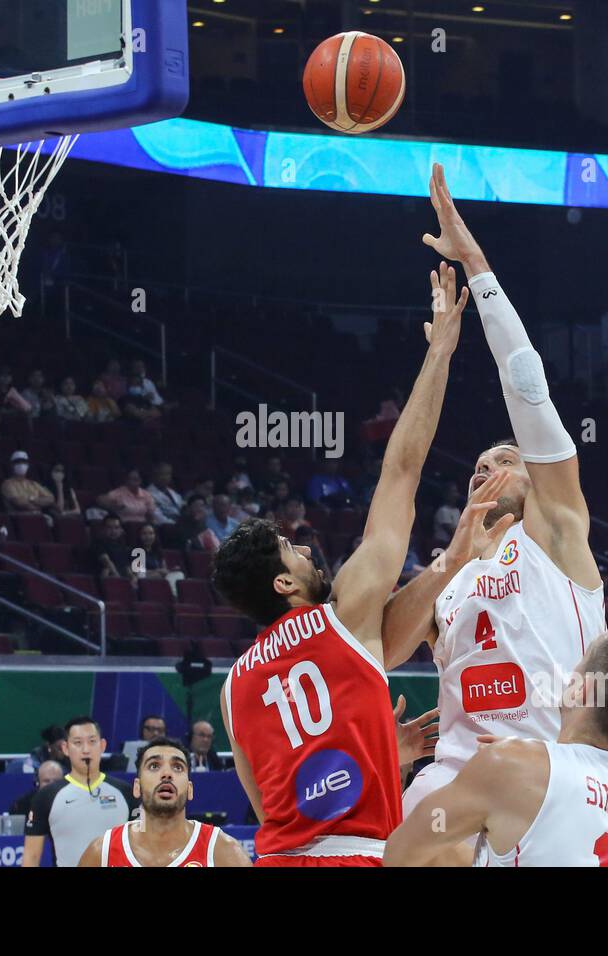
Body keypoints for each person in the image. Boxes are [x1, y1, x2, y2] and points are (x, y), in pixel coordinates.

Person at [379, 165, 605, 865]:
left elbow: (526, 383)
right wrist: (448, 564)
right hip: (451, 778)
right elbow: (382, 651)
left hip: (551, 774)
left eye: (504, 458)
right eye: (477, 464)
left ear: (534, 483)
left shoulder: (560, 534)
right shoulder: (449, 570)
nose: (485, 466)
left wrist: (474, 261)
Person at [213, 259, 468, 867]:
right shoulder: (340, 614)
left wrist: (380, 751)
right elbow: (401, 471)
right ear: (283, 583)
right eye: (292, 551)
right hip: (354, 854)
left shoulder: (232, 687)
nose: (306, 550)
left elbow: (268, 803)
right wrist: (441, 354)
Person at [385, 618, 608, 867]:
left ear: (582, 690)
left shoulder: (512, 767)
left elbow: (399, 854)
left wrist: (501, 775)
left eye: (582, 659)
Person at [79, 738, 252, 868]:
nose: (167, 774)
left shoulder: (223, 852)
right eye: (154, 766)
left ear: (190, 789)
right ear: (137, 787)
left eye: (177, 767)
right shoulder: (102, 853)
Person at [21, 717, 133, 867]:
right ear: (65, 748)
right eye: (78, 743)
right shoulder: (46, 796)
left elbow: (143, 849)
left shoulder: (125, 792)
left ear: (102, 745)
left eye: (92, 741)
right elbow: (31, 858)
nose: (86, 749)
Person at [1, 451, 56, 517]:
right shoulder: (8, 484)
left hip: (38, 517)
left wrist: (31, 499)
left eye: (24, 462)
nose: (21, 464)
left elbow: (50, 499)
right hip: (19, 518)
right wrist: (39, 503)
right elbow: (19, 503)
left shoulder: (33, 484)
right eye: (18, 462)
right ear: (12, 465)